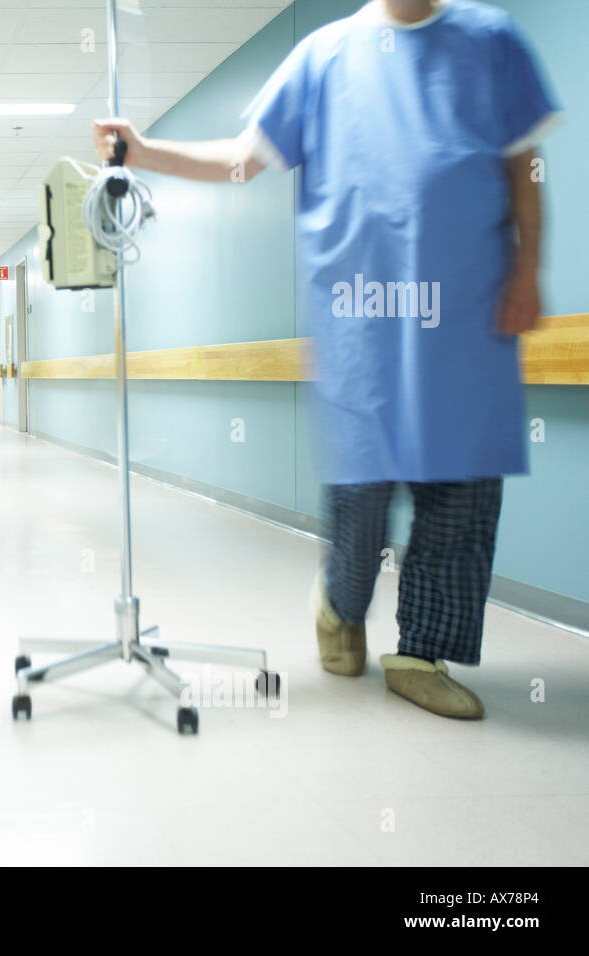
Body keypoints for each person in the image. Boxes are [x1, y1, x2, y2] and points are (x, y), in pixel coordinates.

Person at [94, 0, 560, 718]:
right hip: (363, 315)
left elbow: (522, 165)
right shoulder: (324, 56)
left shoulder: (489, 41)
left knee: (461, 491)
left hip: (467, 313)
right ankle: (340, 605)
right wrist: (145, 151)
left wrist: (528, 272)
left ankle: (419, 653)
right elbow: (245, 159)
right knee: (361, 495)